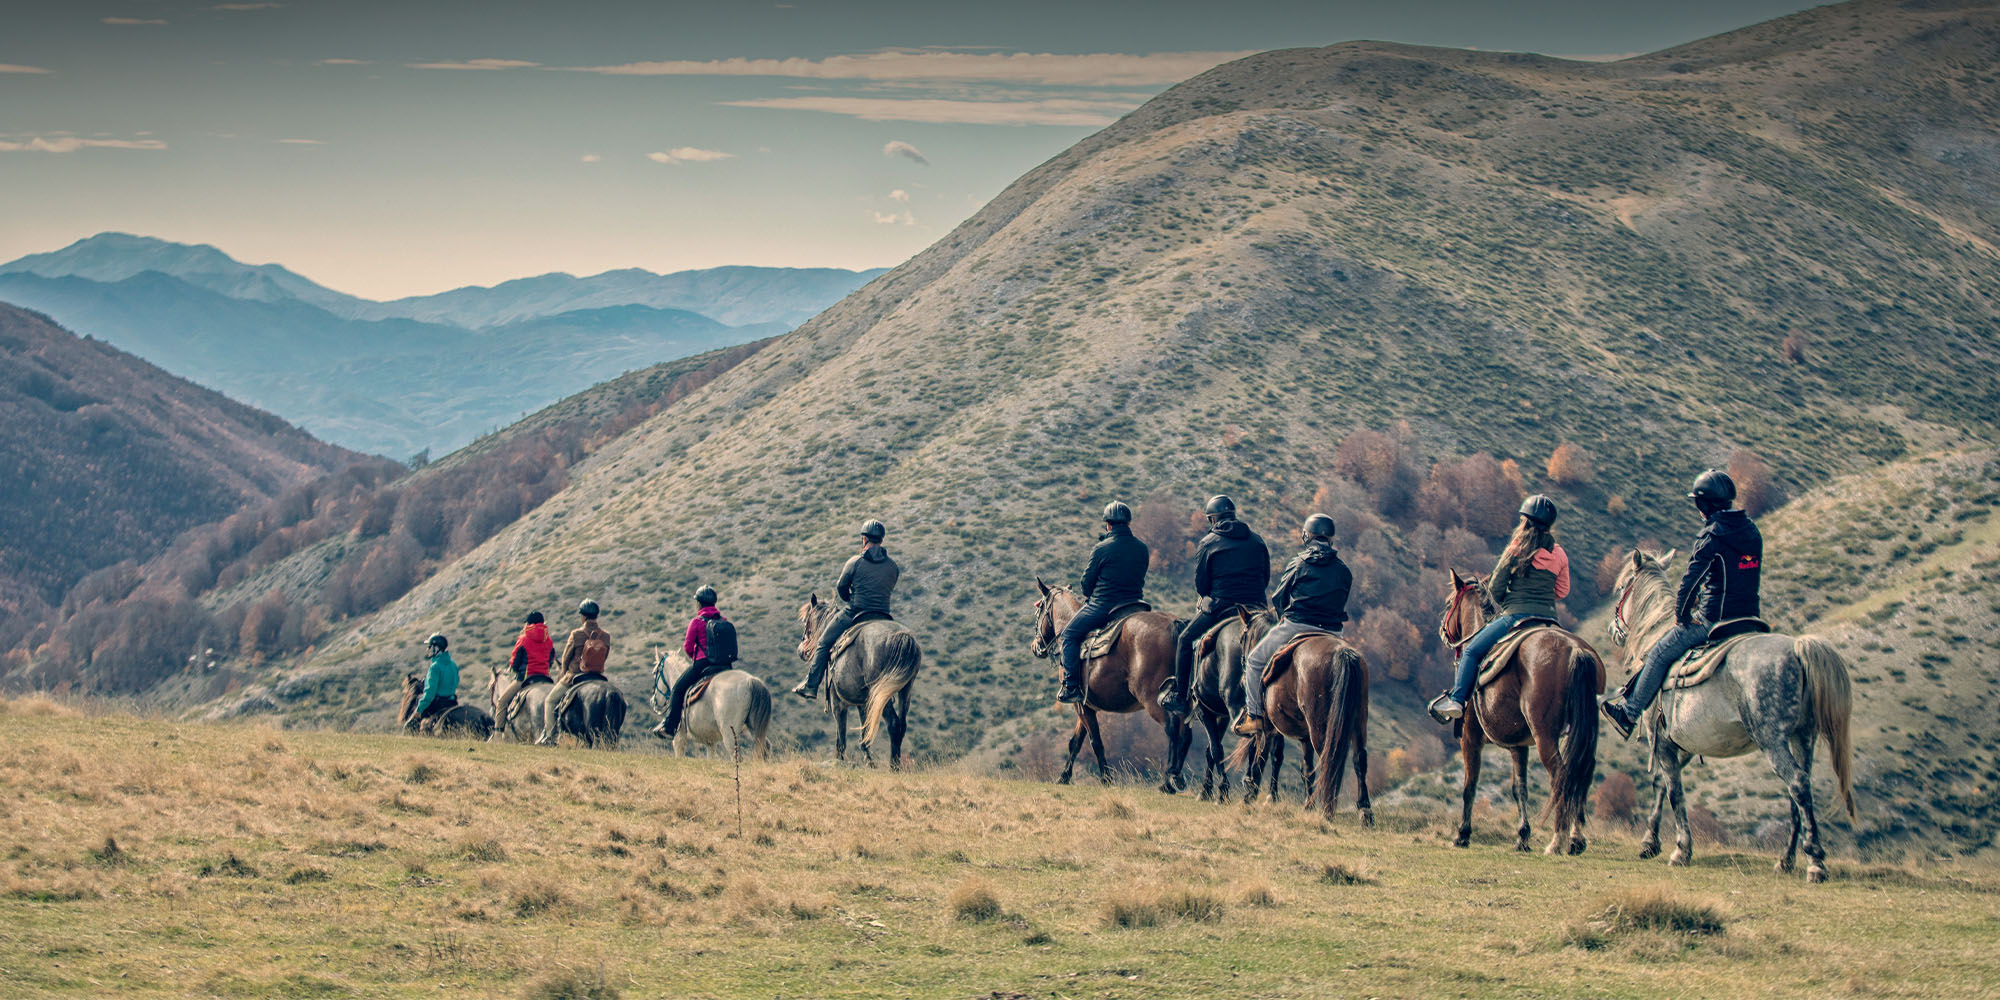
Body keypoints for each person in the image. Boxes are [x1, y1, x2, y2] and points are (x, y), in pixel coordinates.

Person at [1602, 469, 1763, 739]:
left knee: (1659, 653)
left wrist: (1682, 615)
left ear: (1704, 504)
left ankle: (1628, 713)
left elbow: (1690, 583)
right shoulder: (1751, 531)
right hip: (1750, 618)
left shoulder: (1711, 537)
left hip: (1714, 621)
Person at [1429, 495, 1570, 722]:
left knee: (1471, 651)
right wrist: (1541, 595)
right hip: (1549, 620)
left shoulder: (1517, 548)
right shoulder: (1559, 554)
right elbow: (1562, 590)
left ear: (1525, 521)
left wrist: (1510, 601)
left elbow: (1495, 588)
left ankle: (1457, 700)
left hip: (1516, 616)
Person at [1234, 513, 1351, 735]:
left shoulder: (1299, 564)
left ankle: (1254, 716)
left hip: (1297, 625)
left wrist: (1283, 617)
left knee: (1255, 661)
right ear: (1330, 538)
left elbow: (1279, 597)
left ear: (1307, 536)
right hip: (1333, 632)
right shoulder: (1344, 570)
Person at [1160, 495, 1269, 716]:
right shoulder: (1257, 540)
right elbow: (1265, 577)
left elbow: (1201, 584)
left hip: (1221, 606)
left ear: (1212, 519)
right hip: (1255, 608)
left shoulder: (1208, 543)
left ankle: (1180, 696)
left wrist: (1211, 596)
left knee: (1185, 639)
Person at [792, 519, 900, 699]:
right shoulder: (892, 566)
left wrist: (851, 599)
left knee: (823, 642)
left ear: (864, 539)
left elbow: (841, 587)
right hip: (883, 615)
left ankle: (810, 685)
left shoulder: (855, 562)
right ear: (881, 540)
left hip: (856, 612)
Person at [1056, 501, 1150, 704]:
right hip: (1135, 605)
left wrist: (1093, 595)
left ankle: (1071, 686)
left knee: (1068, 635)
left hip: (1104, 606)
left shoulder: (1101, 548)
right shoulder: (1142, 548)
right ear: (1128, 523)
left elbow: (1086, 584)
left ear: (1108, 524)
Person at [653, 586, 738, 739]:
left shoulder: (696, 622)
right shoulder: (724, 621)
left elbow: (687, 646)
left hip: (703, 665)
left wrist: (697, 658)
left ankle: (670, 728)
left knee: (677, 689)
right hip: (725, 666)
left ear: (698, 603)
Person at [536, 600, 612, 745]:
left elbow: (566, 659)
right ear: (596, 616)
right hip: (597, 676)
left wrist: (563, 673)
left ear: (583, 616)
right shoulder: (606, 636)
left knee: (550, 701)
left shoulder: (576, 634)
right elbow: (605, 656)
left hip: (575, 676)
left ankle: (550, 737)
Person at [492, 611, 554, 728]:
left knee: (501, 702)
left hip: (525, 678)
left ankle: (498, 733)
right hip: (545, 678)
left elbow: (514, 664)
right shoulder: (549, 640)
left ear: (528, 624)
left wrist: (515, 670)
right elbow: (551, 660)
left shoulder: (523, 639)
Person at [407, 632, 460, 732]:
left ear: (436, 648)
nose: (428, 650)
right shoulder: (453, 665)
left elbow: (430, 693)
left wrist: (419, 710)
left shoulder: (434, 667)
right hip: (451, 702)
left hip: (436, 705)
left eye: (430, 647)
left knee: (410, 726)